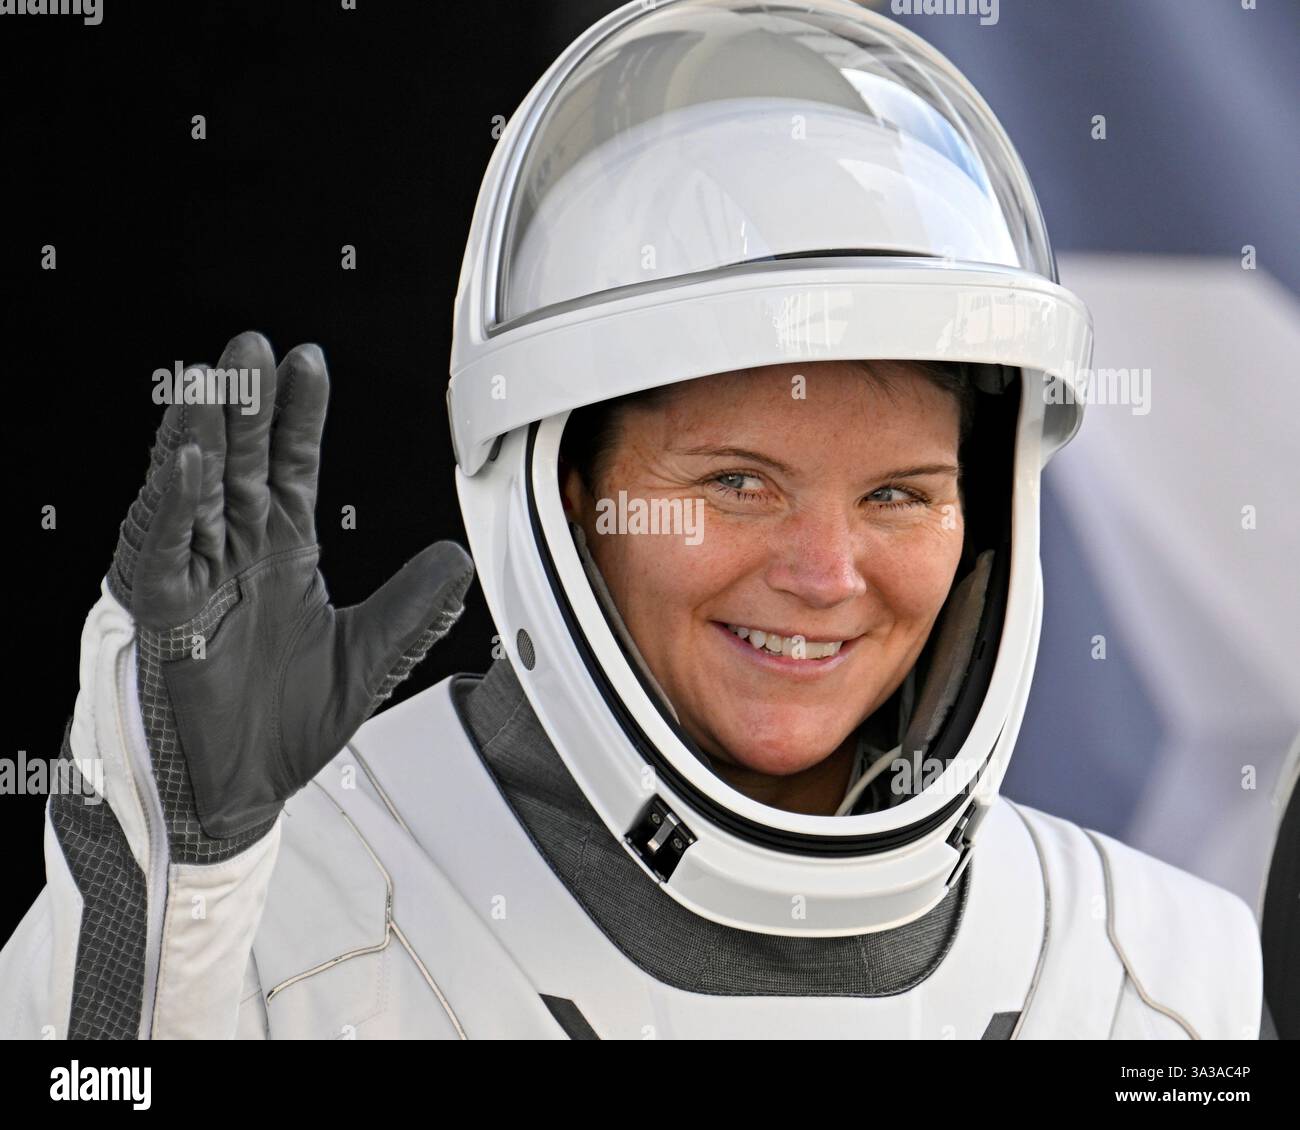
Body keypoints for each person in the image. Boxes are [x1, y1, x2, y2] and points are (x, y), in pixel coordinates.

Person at [0, 0, 1267, 1039]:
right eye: (735, 483)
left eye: (899, 495)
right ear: (561, 496)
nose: (826, 574)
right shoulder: (283, 896)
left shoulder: (1162, 973)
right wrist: (165, 889)